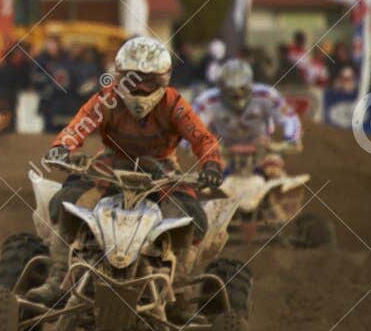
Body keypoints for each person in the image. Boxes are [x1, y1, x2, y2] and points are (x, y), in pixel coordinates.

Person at [28, 37, 225, 304]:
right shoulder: (107, 100)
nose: (141, 88)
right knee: (67, 202)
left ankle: (179, 291)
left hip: (163, 169)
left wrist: (212, 164)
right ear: (119, 77)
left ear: (164, 79)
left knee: (188, 218)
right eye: (134, 79)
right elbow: (80, 125)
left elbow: (203, 139)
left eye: (150, 81)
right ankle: (58, 277)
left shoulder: (174, 104)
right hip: (111, 163)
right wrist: (62, 147)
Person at [192, 58, 302, 178]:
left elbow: (289, 118)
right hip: (225, 150)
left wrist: (291, 139)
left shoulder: (266, 95)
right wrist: (193, 143)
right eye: (231, 90)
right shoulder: (207, 101)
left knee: (274, 170)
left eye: (242, 88)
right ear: (221, 88)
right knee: (211, 177)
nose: (237, 94)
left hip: (262, 148)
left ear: (250, 84)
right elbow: (190, 125)